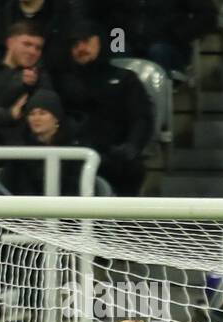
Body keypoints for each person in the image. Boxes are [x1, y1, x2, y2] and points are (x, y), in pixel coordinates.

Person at [53, 21, 153, 196]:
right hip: (72, 156)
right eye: (75, 44)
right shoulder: (61, 82)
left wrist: (132, 147)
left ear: (99, 42)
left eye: (86, 41)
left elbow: (141, 118)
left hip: (115, 157)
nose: (81, 47)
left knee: (131, 170)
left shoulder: (125, 79)